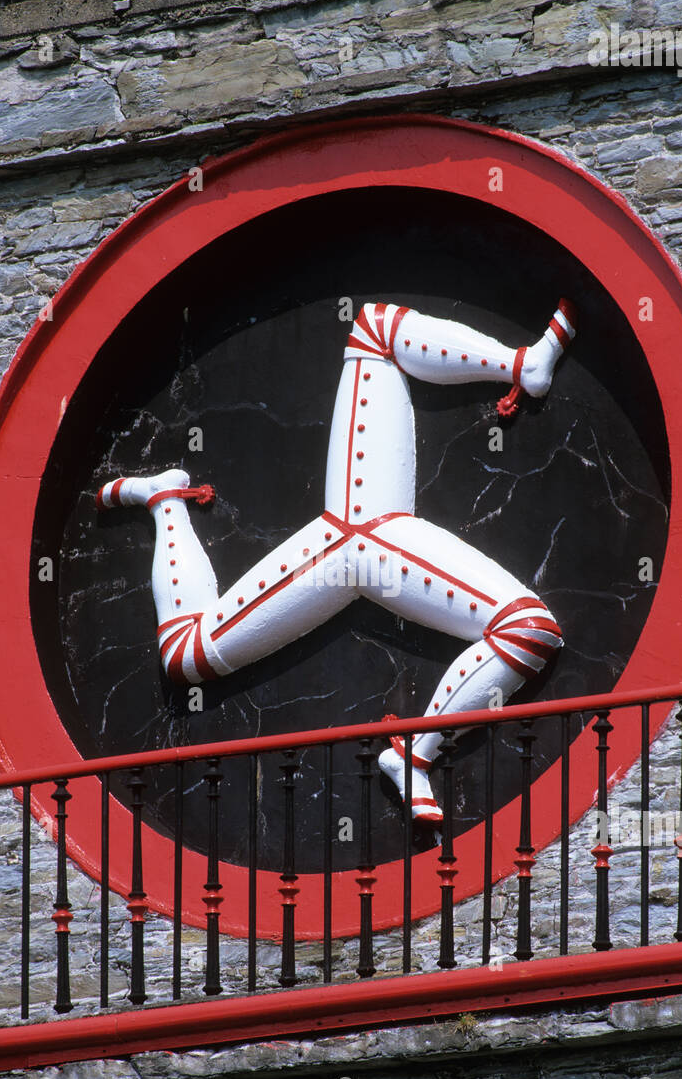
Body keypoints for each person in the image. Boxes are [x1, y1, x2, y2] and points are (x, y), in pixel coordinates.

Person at [98, 299, 576, 821]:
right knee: (183, 659)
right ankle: (166, 500)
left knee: (529, 629)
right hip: (350, 541)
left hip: (366, 528)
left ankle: (411, 757)